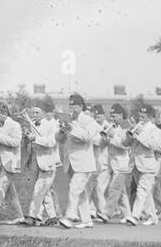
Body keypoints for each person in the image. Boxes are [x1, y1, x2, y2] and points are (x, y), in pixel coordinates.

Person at [59, 93, 100, 229]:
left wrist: (71, 128)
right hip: (71, 161)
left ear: (81, 106)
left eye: (74, 106)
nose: (71, 108)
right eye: (70, 105)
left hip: (83, 162)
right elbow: (60, 140)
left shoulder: (89, 121)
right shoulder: (70, 119)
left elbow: (88, 138)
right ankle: (87, 220)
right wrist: (62, 131)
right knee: (80, 192)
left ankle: (70, 217)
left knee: (75, 189)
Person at [127, 107, 161, 225]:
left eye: (144, 117)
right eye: (140, 116)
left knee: (141, 190)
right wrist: (131, 134)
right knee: (146, 193)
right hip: (135, 163)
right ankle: (152, 217)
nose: (141, 119)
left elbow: (158, 146)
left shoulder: (154, 129)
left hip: (148, 164)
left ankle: (134, 216)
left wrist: (141, 134)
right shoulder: (138, 127)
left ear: (150, 118)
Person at [0, 101, 25, 226]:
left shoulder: (15, 125)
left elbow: (16, 142)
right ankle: (19, 216)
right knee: (10, 191)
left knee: (0, 188)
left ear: (4, 113)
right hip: (0, 162)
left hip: (10, 161)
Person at [23, 104, 61, 225]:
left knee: (38, 189)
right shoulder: (33, 125)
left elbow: (51, 142)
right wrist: (27, 138)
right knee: (45, 191)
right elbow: (31, 145)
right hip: (36, 161)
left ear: (44, 113)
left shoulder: (52, 125)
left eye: (37, 113)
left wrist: (35, 138)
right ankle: (52, 217)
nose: (34, 115)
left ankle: (32, 216)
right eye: (33, 113)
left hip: (47, 162)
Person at [102, 104, 134, 222]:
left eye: (114, 116)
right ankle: (128, 215)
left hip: (122, 163)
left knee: (114, 189)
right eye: (110, 116)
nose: (112, 119)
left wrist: (112, 135)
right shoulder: (114, 125)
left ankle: (107, 213)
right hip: (112, 162)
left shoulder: (127, 126)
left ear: (121, 115)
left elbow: (124, 145)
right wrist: (106, 138)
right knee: (121, 192)